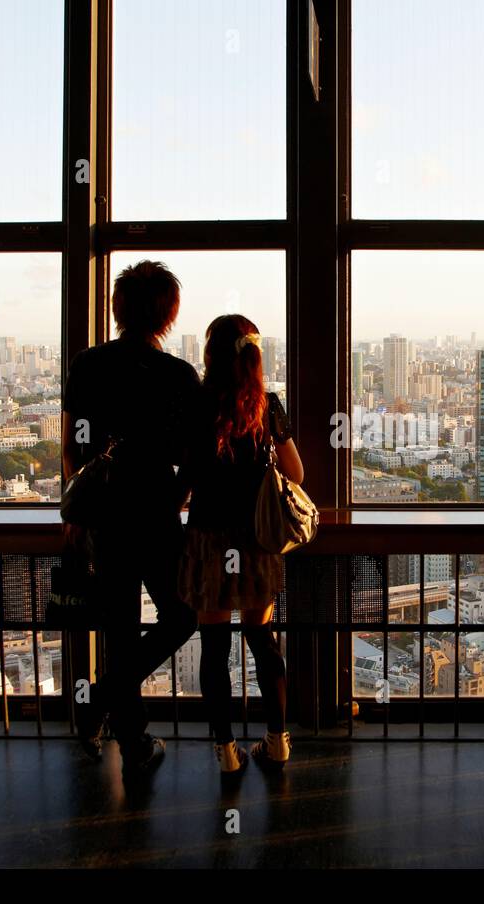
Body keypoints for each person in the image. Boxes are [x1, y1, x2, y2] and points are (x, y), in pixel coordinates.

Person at [62, 260, 200, 776]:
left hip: (104, 518)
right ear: (169, 314)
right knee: (181, 617)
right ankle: (111, 715)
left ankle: (122, 727)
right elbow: (193, 456)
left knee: (118, 628)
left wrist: (77, 508)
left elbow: (74, 444)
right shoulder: (178, 376)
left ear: (117, 308)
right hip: (157, 514)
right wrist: (177, 495)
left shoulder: (88, 365)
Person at [177, 315, 304, 777]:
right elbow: (297, 474)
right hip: (257, 542)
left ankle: (226, 752)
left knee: (213, 648)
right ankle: (277, 741)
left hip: (209, 539)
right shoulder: (268, 406)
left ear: (211, 354)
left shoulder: (196, 405)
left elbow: (186, 477)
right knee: (261, 640)